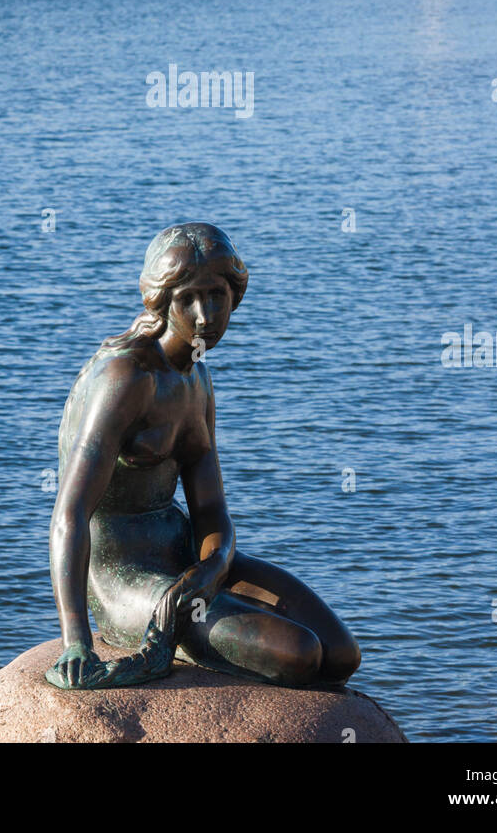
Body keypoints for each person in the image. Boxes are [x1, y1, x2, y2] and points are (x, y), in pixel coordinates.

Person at [47, 222, 361, 690]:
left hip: (186, 565)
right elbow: (68, 514)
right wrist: (76, 639)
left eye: (216, 295)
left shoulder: (197, 379)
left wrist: (212, 567)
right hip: (124, 579)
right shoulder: (126, 380)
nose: (204, 315)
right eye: (187, 299)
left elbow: (211, 510)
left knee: (340, 654)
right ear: (160, 299)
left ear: (235, 295)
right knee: (299, 653)